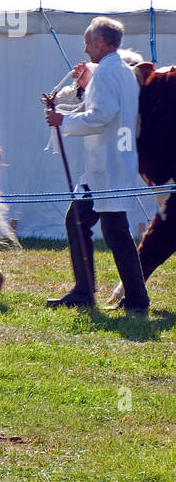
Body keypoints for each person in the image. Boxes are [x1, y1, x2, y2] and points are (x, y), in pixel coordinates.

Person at [45, 16, 149, 315]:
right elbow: (101, 107)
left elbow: (100, 115)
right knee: (82, 223)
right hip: (108, 166)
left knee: (113, 230)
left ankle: (133, 298)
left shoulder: (107, 72)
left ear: (102, 42)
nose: (85, 46)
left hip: (108, 166)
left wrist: (62, 119)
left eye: (89, 41)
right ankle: (87, 291)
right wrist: (86, 85)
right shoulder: (120, 72)